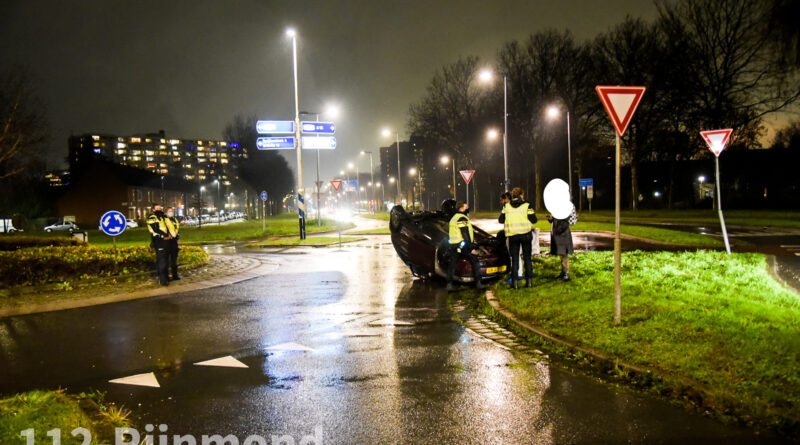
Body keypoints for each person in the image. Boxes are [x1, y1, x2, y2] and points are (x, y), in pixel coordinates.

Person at [499, 187, 537, 289]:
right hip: (526, 235)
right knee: (527, 258)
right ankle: (529, 282)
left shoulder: (506, 206)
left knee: (515, 259)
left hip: (513, 236)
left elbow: (501, 220)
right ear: (521, 195)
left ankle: (514, 283)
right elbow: (534, 220)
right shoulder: (527, 205)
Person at [446, 201, 487, 292]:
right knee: (474, 260)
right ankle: (478, 283)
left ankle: (449, 284)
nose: (468, 208)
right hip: (462, 245)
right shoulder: (462, 218)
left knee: (452, 264)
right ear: (461, 208)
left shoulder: (454, 218)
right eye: (466, 207)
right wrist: (471, 248)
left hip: (454, 245)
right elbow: (465, 235)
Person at [547, 204, 577, 281]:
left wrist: (558, 230)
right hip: (559, 233)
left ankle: (566, 273)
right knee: (562, 254)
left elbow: (565, 222)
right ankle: (563, 272)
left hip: (563, 234)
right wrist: (551, 219)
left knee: (564, 255)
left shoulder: (565, 207)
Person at [146, 205, 172, 286]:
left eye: (160, 208)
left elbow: (169, 226)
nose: (159, 209)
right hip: (158, 240)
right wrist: (165, 235)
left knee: (166, 260)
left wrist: (170, 235)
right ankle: (162, 280)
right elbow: (155, 229)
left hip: (166, 240)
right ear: (153, 209)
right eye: (157, 208)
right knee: (161, 261)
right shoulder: (151, 217)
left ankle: (166, 277)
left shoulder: (163, 217)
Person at [165, 206, 181, 281]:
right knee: (166, 260)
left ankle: (175, 275)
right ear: (166, 212)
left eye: (172, 211)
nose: (171, 212)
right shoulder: (163, 220)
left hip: (174, 241)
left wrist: (178, 238)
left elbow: (177, 229)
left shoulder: (174, 219)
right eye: (169, 211)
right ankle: (166, 276)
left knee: (174, 260)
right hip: (167, 241)